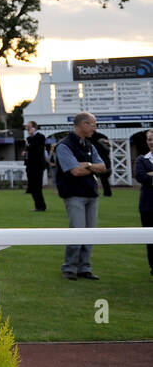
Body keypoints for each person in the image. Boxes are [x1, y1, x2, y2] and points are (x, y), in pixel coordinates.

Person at [54, 111, 106, 281]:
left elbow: (103, 167)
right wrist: (91, 167)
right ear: (83, 124)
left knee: (90, 233)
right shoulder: (64, 146)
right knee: (77, 230)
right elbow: (74, 171)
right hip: (73, 193)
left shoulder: (89, 146)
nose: (95, 128)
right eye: (93, 124)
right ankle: (69, 267)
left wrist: (88, 165)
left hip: (91, 193)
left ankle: (84, 267)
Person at [135, 129, 153, 280]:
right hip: (148, 206)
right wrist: (148, 177)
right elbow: (140, 176)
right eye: (149, 139)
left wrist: (150, 175)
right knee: (151, 241)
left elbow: (147, 177)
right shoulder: (142, 159)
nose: (151, 142)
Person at [24, 120, 48, 212]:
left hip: (37, 166)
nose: (28, 129)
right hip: (30, 165)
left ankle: (41, 206)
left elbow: (34, 147)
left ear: (34, 127)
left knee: (37, 186)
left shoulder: (40, 137)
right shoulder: (30, 138)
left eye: (29, 127)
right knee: (33, 187)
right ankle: (38, 205)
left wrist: (31, 136)